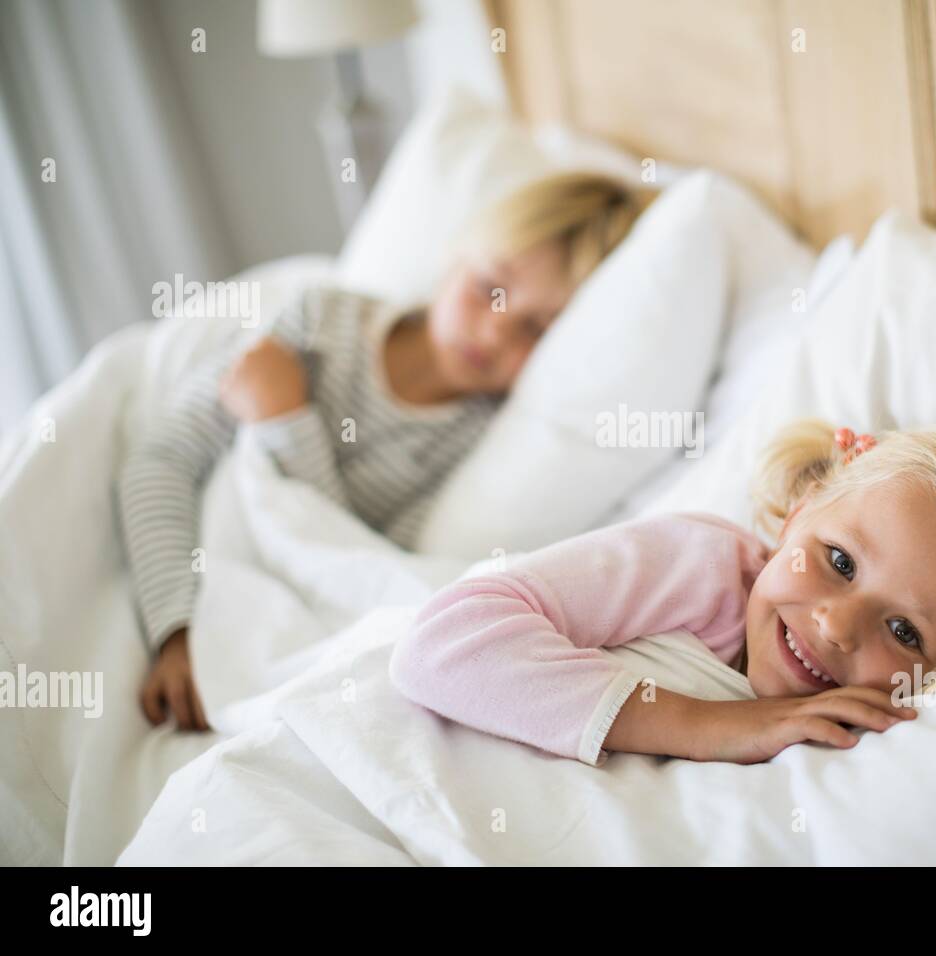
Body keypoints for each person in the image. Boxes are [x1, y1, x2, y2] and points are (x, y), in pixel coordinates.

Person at [118, 171, 657, 731]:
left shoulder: (473, 448)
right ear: (456, 256)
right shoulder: (319, 321)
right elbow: (161, 459)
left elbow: (345, 559)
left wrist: (285, 422)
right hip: (190, 567)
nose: (495, 334)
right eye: (486, 288)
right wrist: (177, 633)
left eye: (535, 329)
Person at [389, 418, 936, 766]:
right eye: (838, 559)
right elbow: (442, 642)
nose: (836, 626)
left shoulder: (874, 745)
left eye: (905, 633)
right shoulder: (700, 566)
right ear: (800, 511)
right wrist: (715, 725)